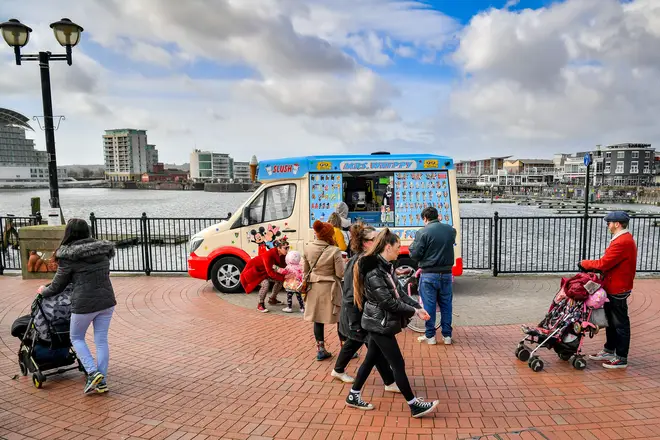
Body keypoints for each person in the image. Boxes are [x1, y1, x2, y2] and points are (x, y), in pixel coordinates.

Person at [346, 228, 439, 418]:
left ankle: (353, 395)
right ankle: (414, 405)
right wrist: (414, 310)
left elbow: (399, 292)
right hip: (379, 323)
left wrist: (417, 307)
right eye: (397, 247)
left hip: (379, 321)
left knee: (371, 358)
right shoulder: (374, 271)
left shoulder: (384, 267)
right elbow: (388, 302)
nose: (400, 250)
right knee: (397, 363)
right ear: (387, 247)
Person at [37, 219, 116, 395]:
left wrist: (43, 290)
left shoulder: (69, 256)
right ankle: (101, 380)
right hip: (107, 301)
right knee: (101, 340)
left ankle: (93, 372)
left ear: (69, 233)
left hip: (84, 304)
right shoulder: (102, 251)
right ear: (87, 231)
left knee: (76, 338)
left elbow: (57, 286)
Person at [331, 222, 399, 395]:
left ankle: (338, 370)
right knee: (374, 347)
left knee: (355, 343)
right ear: (366, 242)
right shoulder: (359, 261)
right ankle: (389, 381)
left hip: (361, 313)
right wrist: (354, 320)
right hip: (357, 313)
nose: (380, 241)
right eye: (375, 239)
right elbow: (349, 294)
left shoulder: (368, 259)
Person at [581, 211, 637, 369]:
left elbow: (604, 263)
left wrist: (585, 263)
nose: (608, 225)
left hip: (618, 287)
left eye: (609, 223)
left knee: (620, 323)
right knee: (611, 321)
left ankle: (621, 357)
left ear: (617, 224)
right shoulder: (623, 239)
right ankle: (609, 350)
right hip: (615, 285)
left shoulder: (622, 242)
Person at [409, 206, 456, 345]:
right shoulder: (450, 230)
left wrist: (412, 247)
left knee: (429, 306)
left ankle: (431, 337)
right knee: (446, 305)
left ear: (425, 218)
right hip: (447, 273)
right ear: (438, 216)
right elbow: (452, 236)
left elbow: (415, 254)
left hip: (429, 274)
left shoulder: (422, 232)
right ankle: (447, 336)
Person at [304, 220, 345, 361]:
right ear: (329, 235)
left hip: (314, 287)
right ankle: (345, 348)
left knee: (318, 319)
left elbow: (305, 271)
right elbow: (340, 273)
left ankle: (320, 349)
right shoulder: (334, 250)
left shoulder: (308, 248)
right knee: (340, 318)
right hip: (331, 288)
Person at [240, 239, 289, 312]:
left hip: (264, 272)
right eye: (285, 248)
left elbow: (284, 266)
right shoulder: (268, 255)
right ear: (278, 248)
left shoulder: (282, 255)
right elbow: (270, 272)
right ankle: (260, 304)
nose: (287, 250)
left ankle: (272, 299)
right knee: (265, 283)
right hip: (254, 272)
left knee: (279, 281)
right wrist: (284, 277)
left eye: (288, 247)